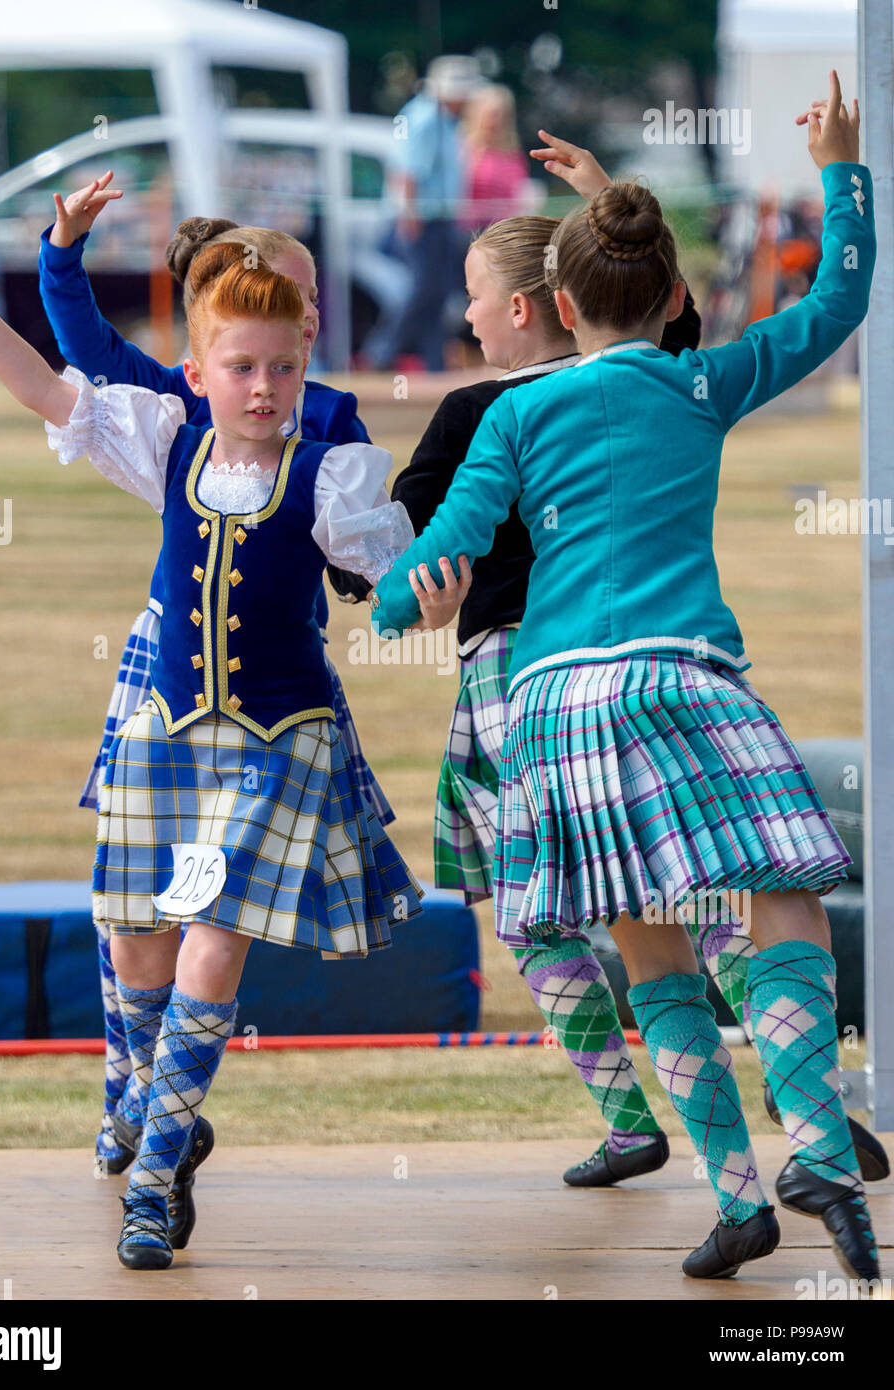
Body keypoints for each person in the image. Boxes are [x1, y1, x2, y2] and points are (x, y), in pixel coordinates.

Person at [368, 73, 881, 1281]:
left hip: (552, 713)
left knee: (651, 955)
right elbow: (840, 296)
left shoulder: (514, 415)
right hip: (680, 679)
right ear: (671, 299)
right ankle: (815, 1139)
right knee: (785, 889)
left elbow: (418, 575)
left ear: (553, 304)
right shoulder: (702, 381)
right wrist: (840, 171)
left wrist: (410, 599)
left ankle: (737, 1198)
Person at [0, 227, 432, 1270]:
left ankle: (152, 1182)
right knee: (134, 940)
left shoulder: (332, 475)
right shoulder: (164, 441)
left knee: (212, 938)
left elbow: (398, 581)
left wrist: (433, 591)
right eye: (241, 368)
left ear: (305, 364)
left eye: (283, 368)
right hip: (166, 730)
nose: (264, 388)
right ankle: (142, 1108)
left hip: (279, 739)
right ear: (196, 373)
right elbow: (43, 387)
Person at [37, 175, 396, 1183]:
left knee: (205, 914)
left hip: (272, 685)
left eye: (311, 299)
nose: (303, 307)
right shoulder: (184, 399)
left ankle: (153, 1114)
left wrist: (377, 573)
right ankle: (128, 1087)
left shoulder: (327, 417)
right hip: (168, 666)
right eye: (288, 283)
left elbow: (357, 558)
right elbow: (79, 347)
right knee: (131, 902)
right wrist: (60, 250)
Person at [368, 54, 483, 372]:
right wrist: (410, 218)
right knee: (423, 290)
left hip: (437, 218)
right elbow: (406, 173)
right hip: (422, 219)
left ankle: (434, 361)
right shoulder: (425, 119)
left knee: (435, 293)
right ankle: (381, 352)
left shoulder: (440, 119)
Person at [458, 84, 535, 232]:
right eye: (490, 114)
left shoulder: (512, 153)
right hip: (468, 231)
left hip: (502, 231)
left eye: (500, 115)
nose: (495, 120)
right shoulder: (462, 149)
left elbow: (517, 193)